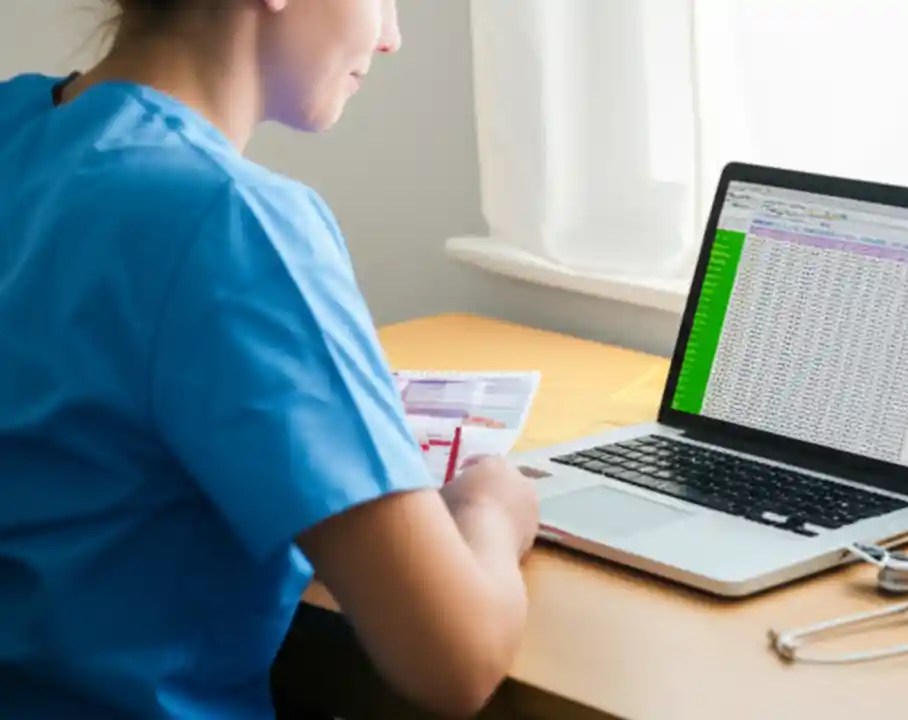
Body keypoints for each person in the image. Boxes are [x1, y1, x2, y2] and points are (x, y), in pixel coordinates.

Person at [0, 0, 541, 717]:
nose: (391, 38)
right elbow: (455, 659)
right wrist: (490, 507)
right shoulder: (229, 219)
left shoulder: (14, 127)